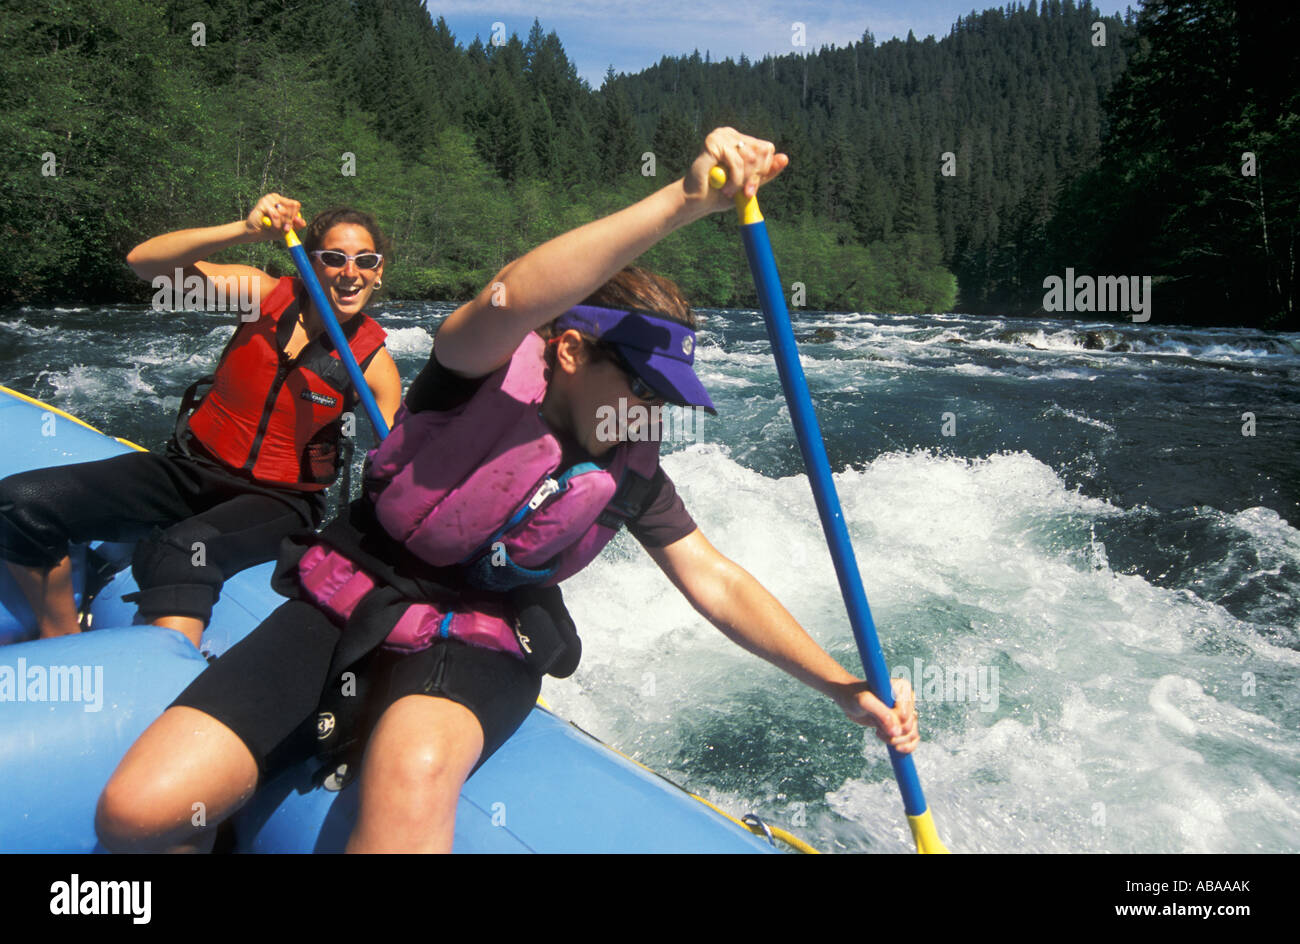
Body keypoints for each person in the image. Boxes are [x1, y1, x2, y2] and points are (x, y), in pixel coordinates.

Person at [94, 129, 919, 853]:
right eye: (639, 384)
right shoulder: (469, 372)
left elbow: (717, 579)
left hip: (483, 635)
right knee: (137, 812)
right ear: (567, 354)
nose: (653, 411)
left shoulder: (632, 470)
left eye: (668, 397)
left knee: (412, 774)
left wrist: (844, 688)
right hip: (350, 595)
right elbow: (513, 295)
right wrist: (683, 199)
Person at [0, 195, 402, 646]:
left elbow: (391, 466)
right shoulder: (260, 295)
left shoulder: (374, 365)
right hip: (190, 470)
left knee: (181, 552)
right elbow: (145, 265)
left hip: (279, 501)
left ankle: (163, 682)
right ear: (310, 263)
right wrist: (246, 230)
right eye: (334, 258)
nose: (351, 272)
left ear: (379, 270)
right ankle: (61, 638)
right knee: (20, 503)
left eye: (365, 260)